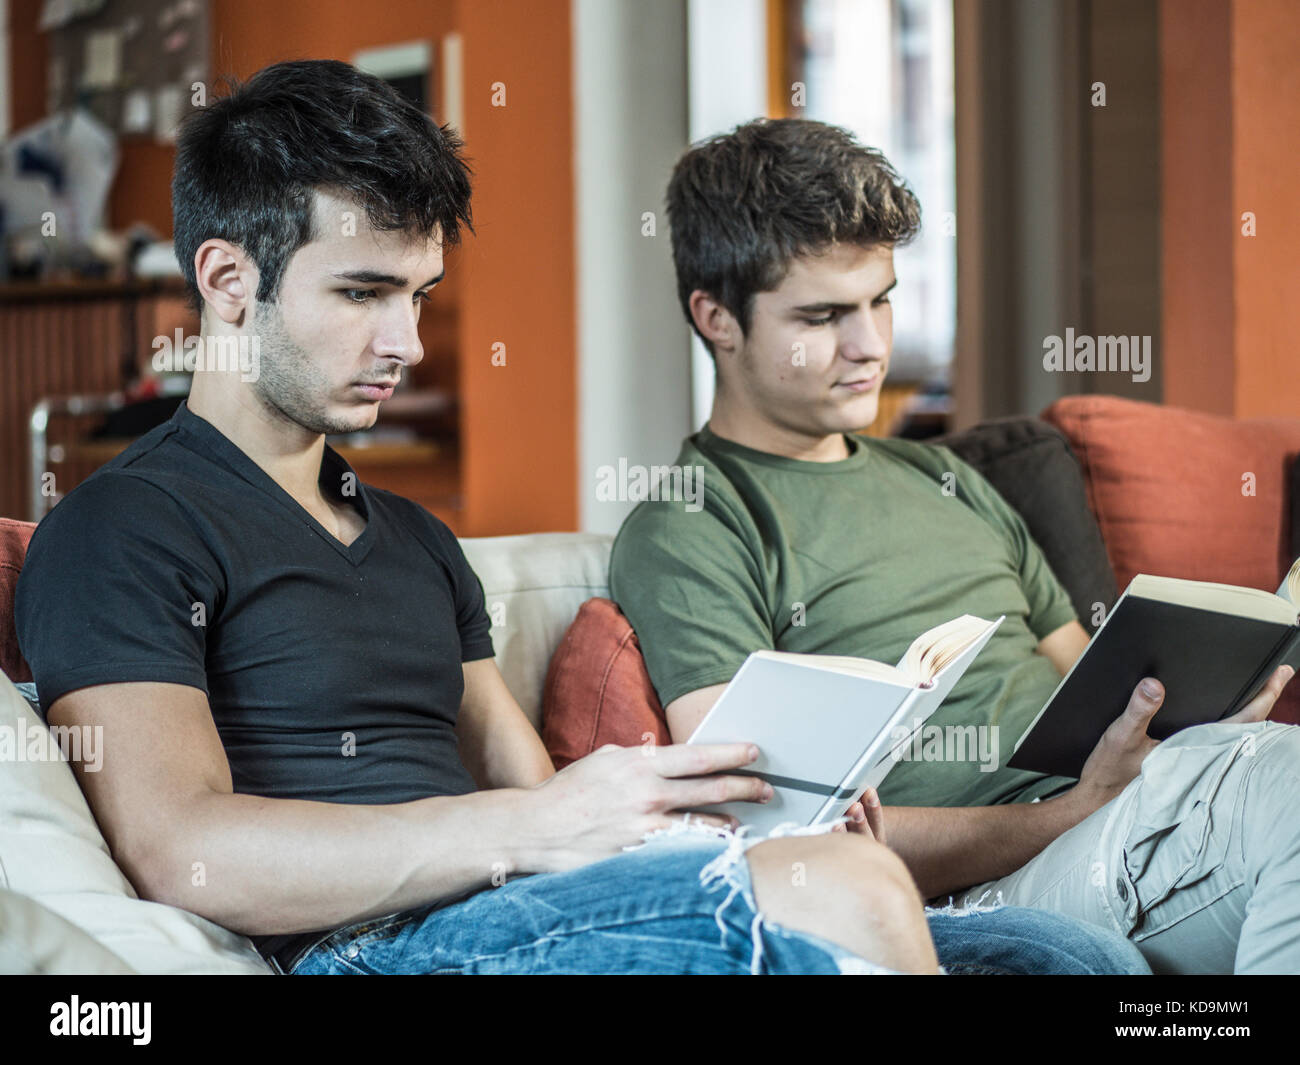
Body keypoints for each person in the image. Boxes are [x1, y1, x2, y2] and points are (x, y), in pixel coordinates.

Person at [15, 63, 1145, 976]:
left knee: (1059, 952)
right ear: (225, 279)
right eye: (362, 293)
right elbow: (184, 852)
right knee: (845, 898)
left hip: (512, 912)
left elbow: (528, 793)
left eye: (420, 296)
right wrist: (532, 831)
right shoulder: (124, 526)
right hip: (365, 945)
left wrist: (704, 827)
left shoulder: (413, 539)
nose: (405, 345)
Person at [609, 116, 1300, 976]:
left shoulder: (948, 478)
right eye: (823, 315)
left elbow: (1098, 687)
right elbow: (772, 839)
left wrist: (1192, 720)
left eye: (882, 300)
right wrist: (1072, 811)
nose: (870, 347)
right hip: (991, 884)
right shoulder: (694, 524)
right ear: (716, 317)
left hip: (1141, 822)